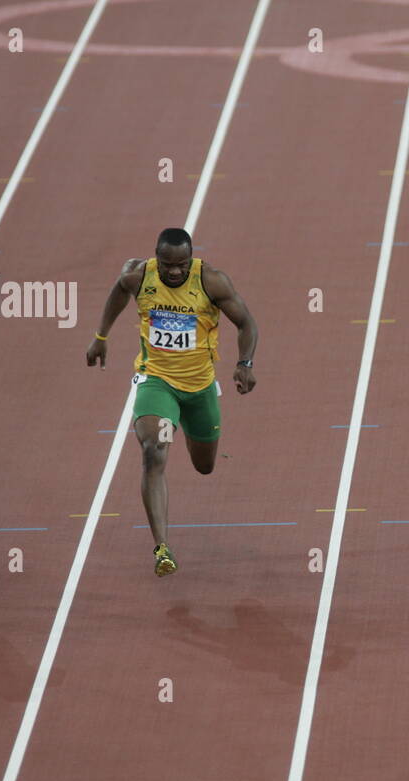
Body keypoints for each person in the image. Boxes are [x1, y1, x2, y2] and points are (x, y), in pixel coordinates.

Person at [87, 227, 258, 576]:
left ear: (191, 258)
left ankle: (190, 433)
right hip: (157, 382)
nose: (175, 271)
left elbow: (246, 323)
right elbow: (119, 292)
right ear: (156, 258)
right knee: (154, 450)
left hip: (199, 388)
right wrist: (101, 336)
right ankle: (162, 547)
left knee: (204, 465)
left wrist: (244, 364)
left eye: (182, 264)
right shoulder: (138, 275)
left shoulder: (212, 281)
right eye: (168, 265)